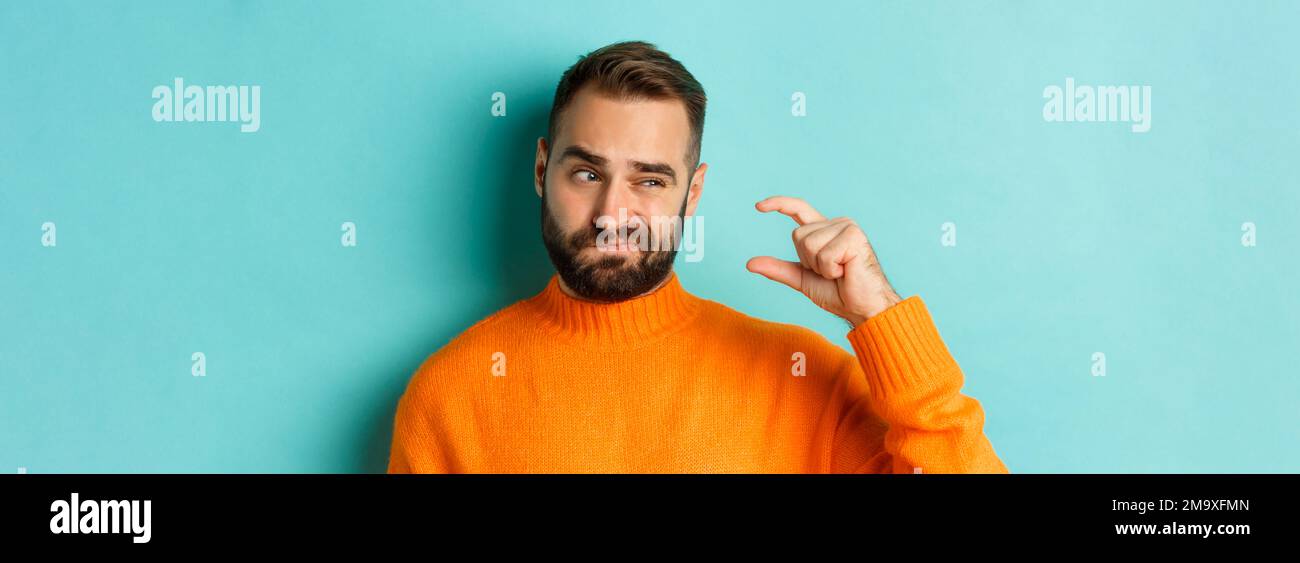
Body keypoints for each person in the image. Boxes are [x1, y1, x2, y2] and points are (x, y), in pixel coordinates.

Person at [387, 40, 1008, 473]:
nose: (613, 214)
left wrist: (882, 322)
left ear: (694, 191)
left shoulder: (804, 381)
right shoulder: (451, 396)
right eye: (586, 173)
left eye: (650, 181)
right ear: (543, 168)